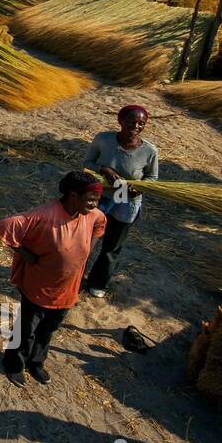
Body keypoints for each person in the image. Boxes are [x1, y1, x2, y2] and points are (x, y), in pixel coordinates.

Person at [0, 171, 106, 386]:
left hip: (68, 286)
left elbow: (101, 224)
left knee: (49, 328)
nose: (93, 205)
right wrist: (27, 255)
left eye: (96, 201)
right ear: (73, 195)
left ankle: (36, 362)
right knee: (27, 329)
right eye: (90, 199)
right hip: (39, 285)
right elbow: (6, 225)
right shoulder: (45, 215)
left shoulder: (92, 215)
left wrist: (87, 250)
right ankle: (14, 363)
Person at [82, 104, 159, 298]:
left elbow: (152, 177)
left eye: (141, 123)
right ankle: (74, 275)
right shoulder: (104, 139)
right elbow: (87, 163)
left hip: (127, 200)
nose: (136, 126)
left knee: (112, 245)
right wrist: (104, 170)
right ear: (120, 121)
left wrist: (138, 187)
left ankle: (98, 282)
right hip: (101, 196)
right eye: (131, 121)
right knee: (86, 239)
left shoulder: (149, 151)